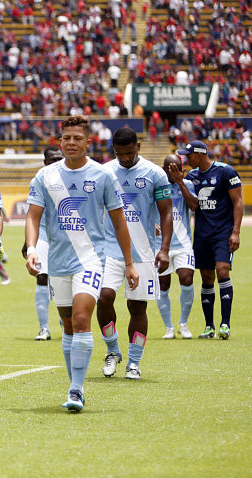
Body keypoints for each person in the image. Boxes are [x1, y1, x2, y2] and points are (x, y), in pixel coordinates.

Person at [25, 116, 138, 412]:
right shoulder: (45, 176)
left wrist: (129, 264)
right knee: (67, 325)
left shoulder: (102, 176)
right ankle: (74, 381)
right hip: (57, 261)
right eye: (66, 138)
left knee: (80, 318)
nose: (71, 143)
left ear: (88, 142)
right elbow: (33, 216)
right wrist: (32, 249)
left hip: (91, 260)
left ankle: (76, 389)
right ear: (60, 141)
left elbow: (119, 222)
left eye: (77, 138)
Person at [98, 127, 172, 381]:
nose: (125, 159)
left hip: (143, 252)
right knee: (104, 297)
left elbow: (166, 212)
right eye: (119, 154)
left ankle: (134, 362)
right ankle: (112, 351)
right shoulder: (105, 172)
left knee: (137, 307)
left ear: (138, 147)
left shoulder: (155, 174)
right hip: (109, 249)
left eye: (129, 153)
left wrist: (164, 248)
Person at [168, 140, 243, 339]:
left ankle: (225, 324)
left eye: (189, 155)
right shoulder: (191, 177)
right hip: (201, 234)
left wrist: (235, 232)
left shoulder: (225, 172)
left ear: (200, 155)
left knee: (222, 270)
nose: (186, 158)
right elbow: (193, 206)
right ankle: (209, 327)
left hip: (222, 233)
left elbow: (238, 202)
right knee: (207, 278)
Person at [21, 147, 64, 341]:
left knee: (63, 279)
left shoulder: (72, 178)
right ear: (45, 162)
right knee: (41, 277)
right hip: (44, 237)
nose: (56, 162)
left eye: (59, 159)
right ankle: (44, 328)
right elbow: (34, 214)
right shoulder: (38, 180)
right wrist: (29, 243)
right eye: (52, 160)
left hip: (65, 237)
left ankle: (66, 317)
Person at [156, 154, 196, 339]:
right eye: (169, 168)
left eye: (176, 168)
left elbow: (194, 206)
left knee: (187, 278)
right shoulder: (156, 186)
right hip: (160, 244)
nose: (173, 172)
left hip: (183, 243)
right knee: (163, 285)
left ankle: (184, 323)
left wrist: (180, 182)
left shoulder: (187, 185)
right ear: (163, 169)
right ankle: (169, 327)